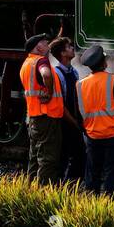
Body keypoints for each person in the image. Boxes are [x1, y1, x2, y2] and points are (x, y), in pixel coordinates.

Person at [76, 44, 114, 194]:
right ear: (103, 63)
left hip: (93, 134)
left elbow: (78, 113)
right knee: (112, 172)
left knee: (93, 172)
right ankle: (110, 202)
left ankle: (92, 201)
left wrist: (86, 130)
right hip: (113, 134)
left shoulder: (80, 84)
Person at [19, 33, 64, 181]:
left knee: (34, 157)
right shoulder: (40, 61)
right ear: (38, 47)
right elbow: (46, 74)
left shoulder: (26, 64)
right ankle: (43, 193)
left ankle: (30, 191)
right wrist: (49, 92)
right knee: (48, 159)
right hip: (47, 116)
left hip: (34, 116)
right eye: (45, 43)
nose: (48, 46)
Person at [48, 37, 85, 184]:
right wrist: (75, 122)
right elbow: (60, 105)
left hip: (73, 119)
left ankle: (70, 186)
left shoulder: (74, 72)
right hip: (63, 122)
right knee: (65, 156)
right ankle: (63, 187)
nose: (72, 48)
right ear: (63, 53)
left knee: (79, 156)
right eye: (69, 47)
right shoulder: (58, 75)